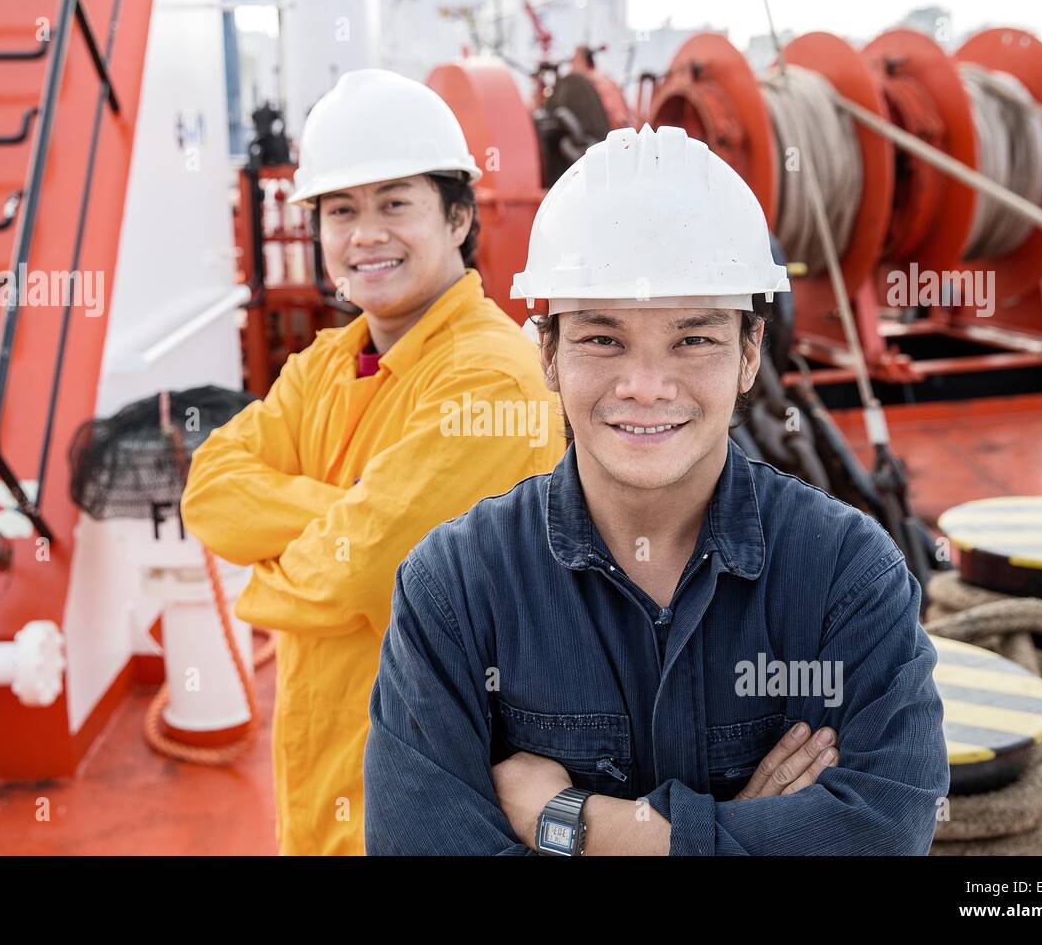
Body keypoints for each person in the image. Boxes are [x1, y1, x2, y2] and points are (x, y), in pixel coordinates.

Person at [364, 124, 949, 855]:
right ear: (547, 352)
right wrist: (750, 829)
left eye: (692, 339)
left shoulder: (845, 578)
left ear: (749, 353)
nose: (645, 388)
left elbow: (884, 834)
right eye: (603, 339)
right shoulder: (454, 592)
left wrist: (576, 822)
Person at [181, 69, 564, 856]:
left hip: (428, 801)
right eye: (341, 211)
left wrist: (287, 549)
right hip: (321, 791)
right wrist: (349, 511)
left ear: (458, 215)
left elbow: (368, 571)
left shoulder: (491, 377)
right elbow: (211, 493)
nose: (365, 235)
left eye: (395, 203)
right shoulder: (327, 361)